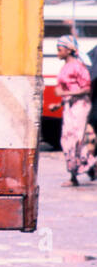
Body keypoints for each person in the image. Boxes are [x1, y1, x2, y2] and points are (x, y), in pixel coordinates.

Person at [55, 35, 96, 185]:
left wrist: (65, 94)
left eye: (59, 50)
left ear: (68, 50)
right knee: (66, 140)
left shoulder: (79, 67)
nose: (57, 53)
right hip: (69, 106)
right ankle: (85, 168)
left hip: (80, 107)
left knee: (76, 139)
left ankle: (76, 175)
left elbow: (86, 88)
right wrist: (59, 104)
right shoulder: (65, 68)